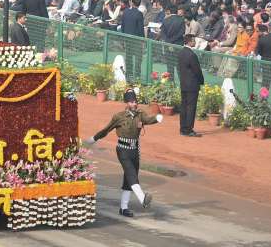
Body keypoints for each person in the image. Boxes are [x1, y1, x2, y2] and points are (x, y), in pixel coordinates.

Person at [85, 89, 162, 217]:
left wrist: (157, 118)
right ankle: (142, 199)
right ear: (127, 102)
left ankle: (123, 208)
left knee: (129, 179)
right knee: (132, 174)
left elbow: (148, 120)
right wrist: (92, 139)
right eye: (132, 101)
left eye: (135, 101)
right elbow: (106, 130)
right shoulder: (119, 116)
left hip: (134, 150)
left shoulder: (140, 114)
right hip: (123, 150)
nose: (135, 103)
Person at [177, 34, 204, 137]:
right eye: (193, 40)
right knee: (191, 107)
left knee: (184, 106)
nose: (195, 42)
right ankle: (188, 130)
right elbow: (197, 71)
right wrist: (201, 81)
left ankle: (183, 128)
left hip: (183, 84)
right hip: (192, 85)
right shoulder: (192, 55)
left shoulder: (181, 53)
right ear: (189, 42)